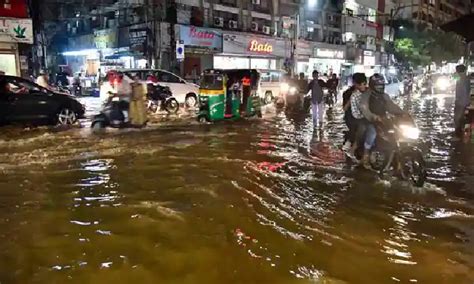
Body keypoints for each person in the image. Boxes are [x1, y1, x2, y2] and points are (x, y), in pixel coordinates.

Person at [349, 74, 405, 165]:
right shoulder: (366, 95)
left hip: (383, 120)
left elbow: (391, 106)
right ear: (372, 85)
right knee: (372, 132)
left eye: (382, 85)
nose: (380, 87)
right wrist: (374, 116)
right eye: (378, 85)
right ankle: (366, 154)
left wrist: (403, 113)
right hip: (369, 120)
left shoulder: (384, 96)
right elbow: (364, 109)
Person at [342, 73, 367, 151]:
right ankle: (350, 143)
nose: (363, 86)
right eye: (360, 84)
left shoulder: (368, 92)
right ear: (355, 84)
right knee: (359, 126)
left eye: (364, 83)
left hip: (365, 116)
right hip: (351, 117)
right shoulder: (348, 93)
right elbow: (345, 108)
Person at [453, 64, 471, 138]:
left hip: (461, 103)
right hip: (465, 102)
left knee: (457, 119)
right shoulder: (465, 79)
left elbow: (462, 92)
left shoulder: (462, 80)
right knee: (460, 119)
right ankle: (461, 133)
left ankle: (459, 135)